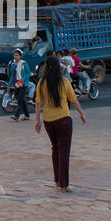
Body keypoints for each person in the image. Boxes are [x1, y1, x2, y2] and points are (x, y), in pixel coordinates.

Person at [35, 52, 86, 191]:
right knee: (64, 151)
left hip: (48, 120)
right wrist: (81, 114)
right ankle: (64, 184)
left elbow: (38, 103)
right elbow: (73, 100)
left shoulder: (41, 83)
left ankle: (57, 181)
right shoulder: (64, 82)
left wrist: (37, 121)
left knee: (55, 149)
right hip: (63, 119)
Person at [10, 48, 31, 121]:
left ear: (20, 56)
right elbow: (12, 75)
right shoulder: (13, 65)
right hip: (17, 84)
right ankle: (27, 115)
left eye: (17, 55)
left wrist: (23, 78)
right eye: (14, 55)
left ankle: (16, 115)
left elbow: (28, 73)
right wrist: (9, 85)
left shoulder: (23, 64)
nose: (15, 57)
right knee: (21, 99)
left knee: (20, 100)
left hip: (23, 84)